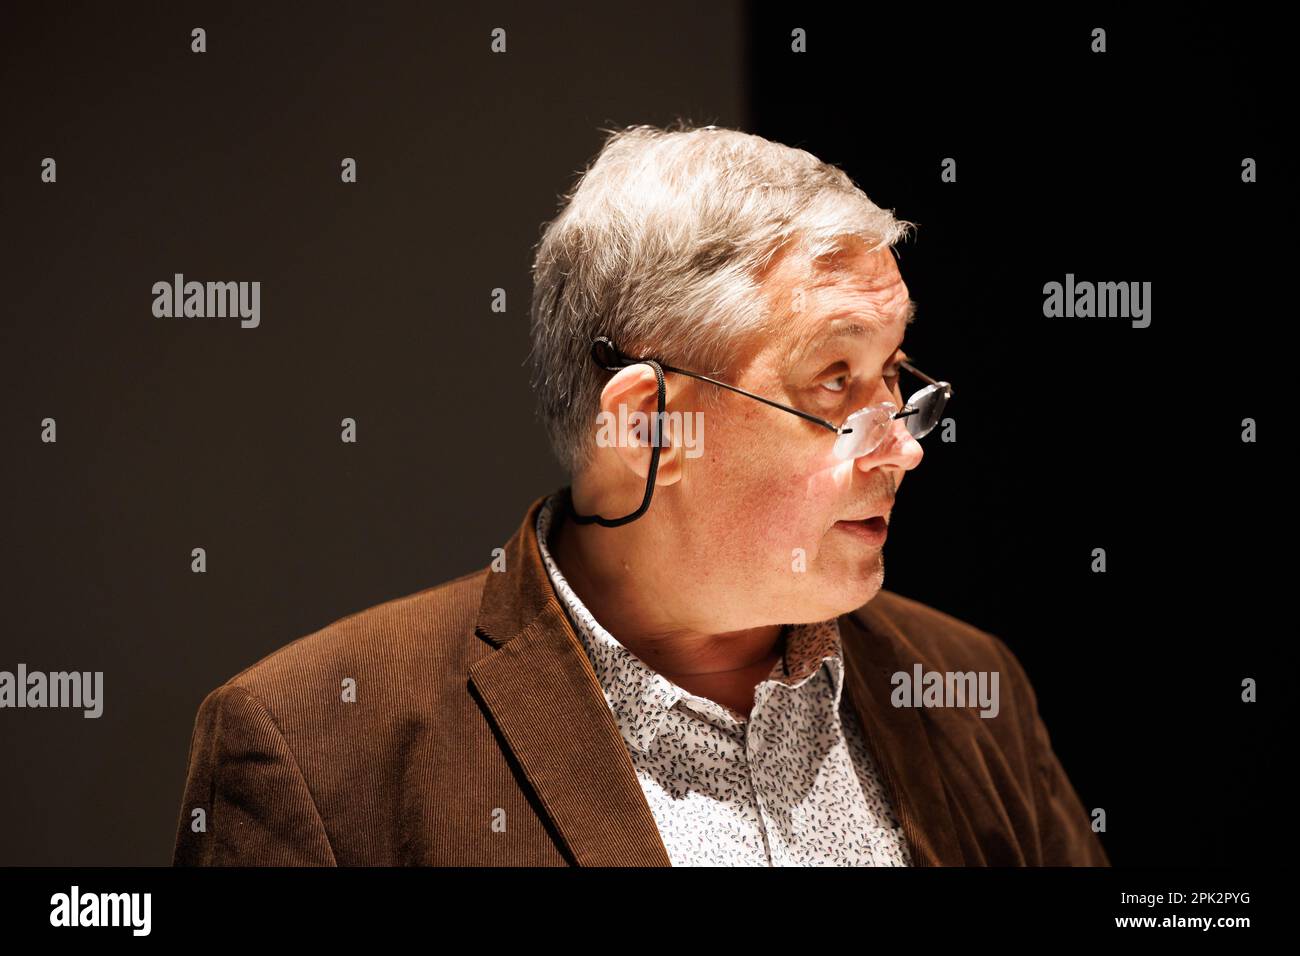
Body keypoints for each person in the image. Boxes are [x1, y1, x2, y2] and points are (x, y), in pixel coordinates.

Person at [172, 123, 1108, 866]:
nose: (900, 447)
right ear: (646, 426)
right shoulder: (311, 746)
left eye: (893, 375)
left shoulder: (966, 686)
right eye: (833, 380)